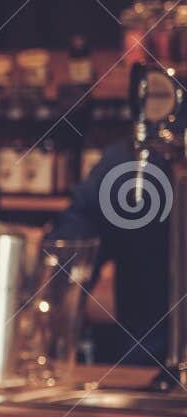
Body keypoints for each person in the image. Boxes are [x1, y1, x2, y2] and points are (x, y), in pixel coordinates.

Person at [48, 141, 167, 365]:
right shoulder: (133, 162)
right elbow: (65, 261)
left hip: (146, 367)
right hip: (145, 374)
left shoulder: (132, 161)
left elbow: (60, 269)